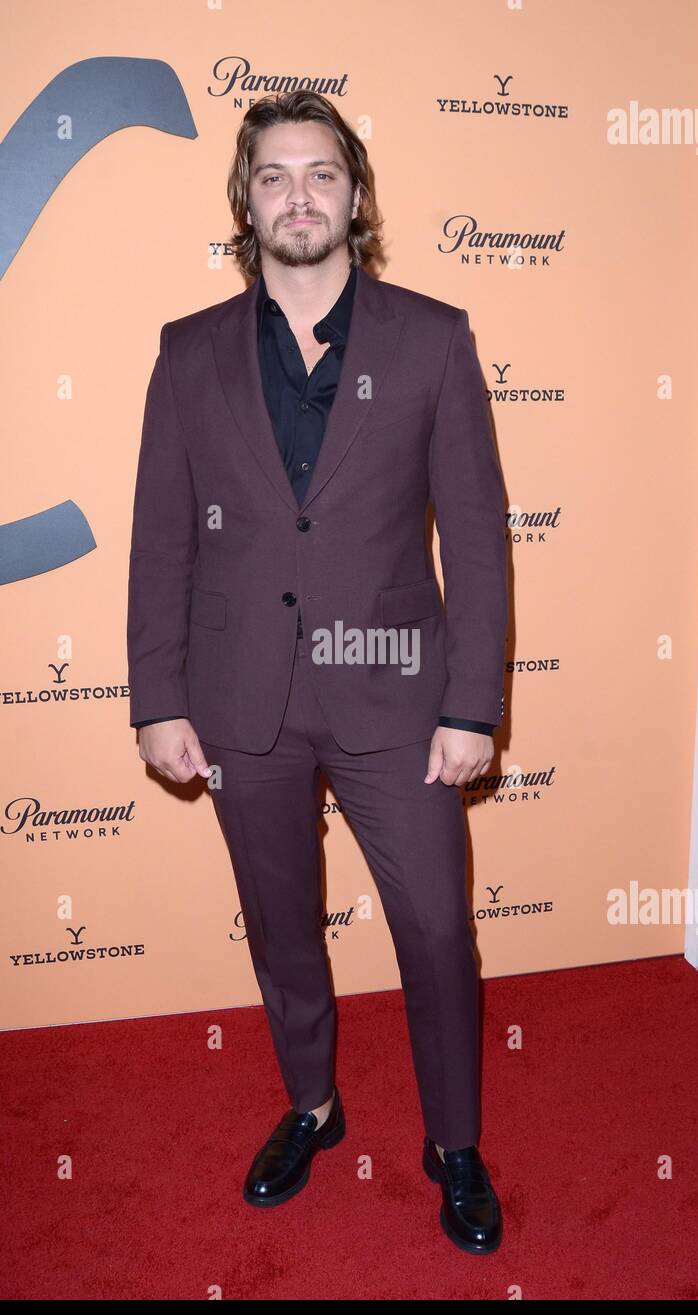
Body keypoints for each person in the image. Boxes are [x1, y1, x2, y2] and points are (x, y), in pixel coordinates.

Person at [126, 90, 508, 1255]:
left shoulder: (432, 337)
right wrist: (159, 697)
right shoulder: (187, 352)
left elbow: (480, 534)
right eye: (276, 175)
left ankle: (453, 1144)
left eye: (323, 174)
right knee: (282, 923)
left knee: (437, 929)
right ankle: (313, 1105)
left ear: (356, 194)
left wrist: (472, 703)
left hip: (399, 691)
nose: (300, 194)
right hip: (245, 700)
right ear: (245, 200)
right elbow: (162, 538)